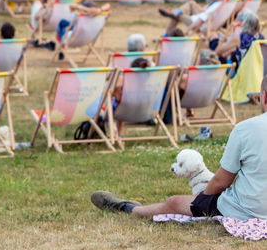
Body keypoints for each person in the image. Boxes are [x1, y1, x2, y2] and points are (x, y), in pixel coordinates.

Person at [92, 76, 267, 220]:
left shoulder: (246, 129)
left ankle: (128, 208)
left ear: (264, 96)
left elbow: (221, 181)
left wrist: (203, 198)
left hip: (248, 211)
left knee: (174, 203)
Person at [158, 0, 234, 33]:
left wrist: (189, 29)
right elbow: (206, 13)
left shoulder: (217, 5)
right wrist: (201, 9)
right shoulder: (222, 4)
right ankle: (175, 12)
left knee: (177, 15)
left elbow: (203, 18)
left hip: (195, 22)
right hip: (202, 15)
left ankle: (168, 31)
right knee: (191, 3)